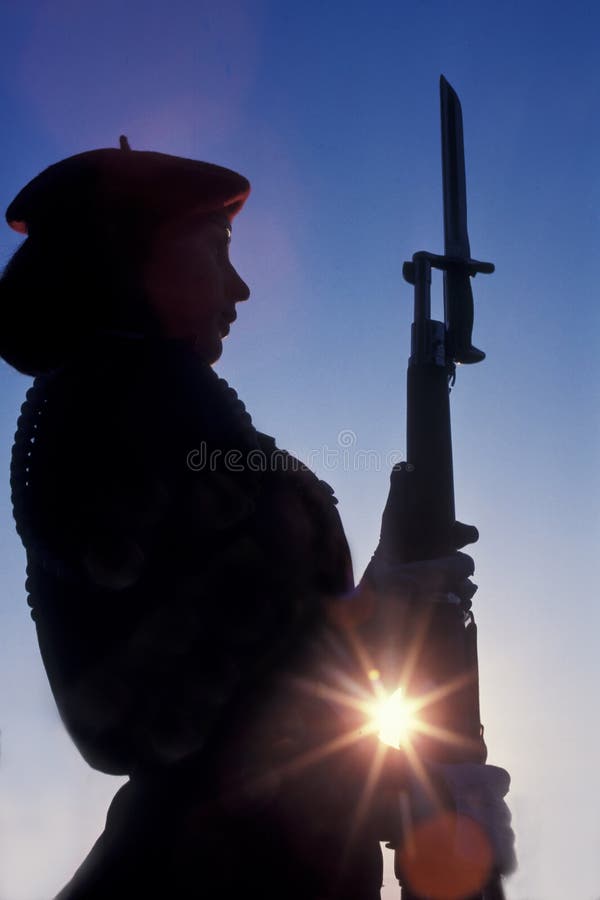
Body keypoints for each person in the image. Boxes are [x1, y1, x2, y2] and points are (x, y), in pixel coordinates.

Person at [2, 140, 515, 899]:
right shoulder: (137, 404)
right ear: (128, 264)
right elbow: (213, 719)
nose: (239, 288)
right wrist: (421, 790)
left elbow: (250, 650)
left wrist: (382, 582)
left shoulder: (139, 405)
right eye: (215, 251)